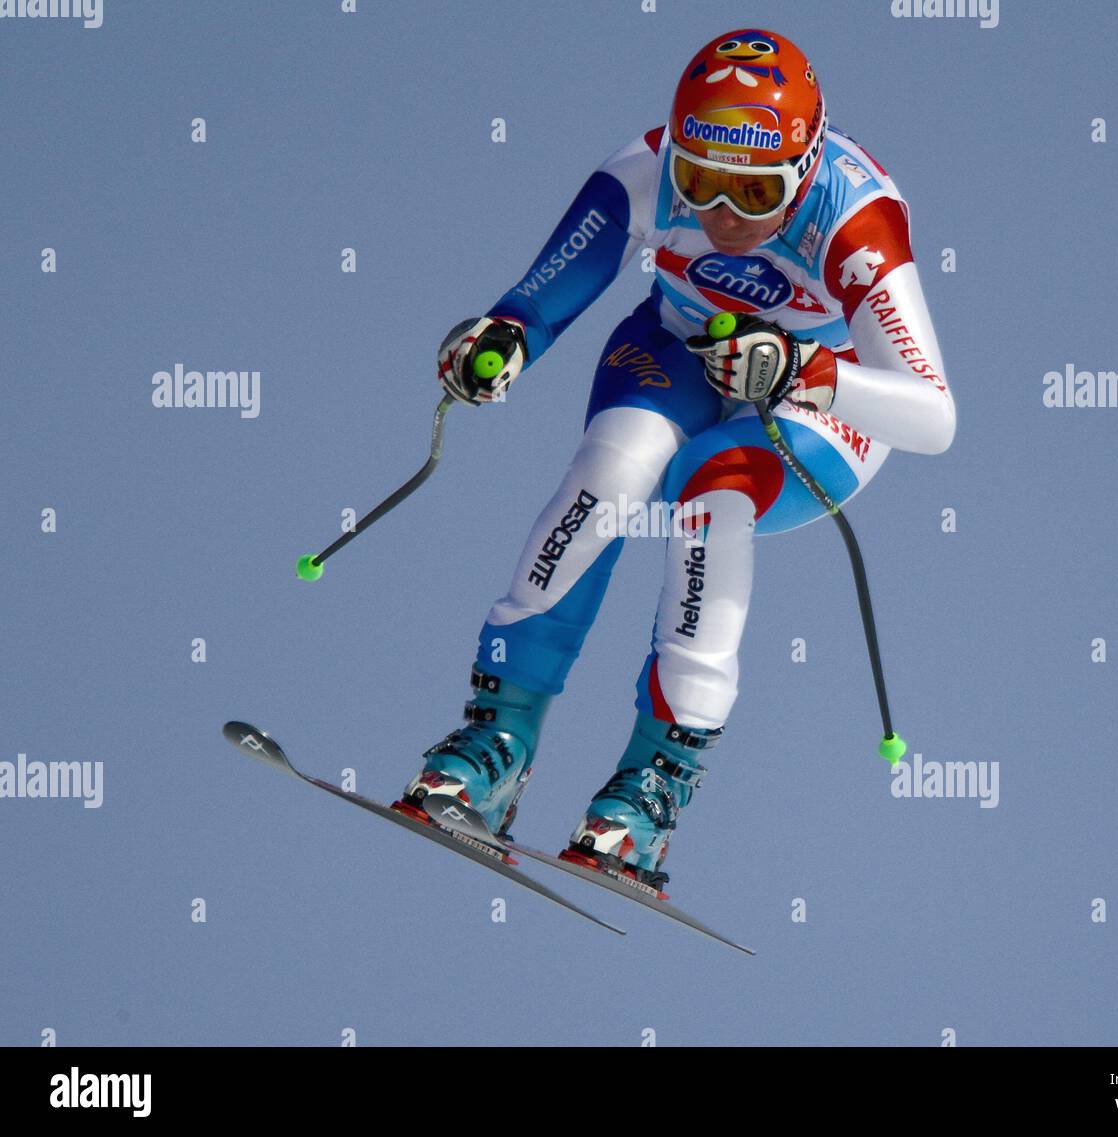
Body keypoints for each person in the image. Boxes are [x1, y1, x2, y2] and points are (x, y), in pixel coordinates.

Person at [399, 27, 955, 893]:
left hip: (821, 399)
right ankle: (496, 736)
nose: (724, 216)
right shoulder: (646, 168)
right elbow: (540, 297)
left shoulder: (855, 219)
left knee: (712, 490)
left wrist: (805, 370)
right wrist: (501, 338)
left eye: (755, 192)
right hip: (681, 344)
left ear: (806, 171)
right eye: (700, 184)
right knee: (613, 469)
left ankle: (654, 785)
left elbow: (933, 415)